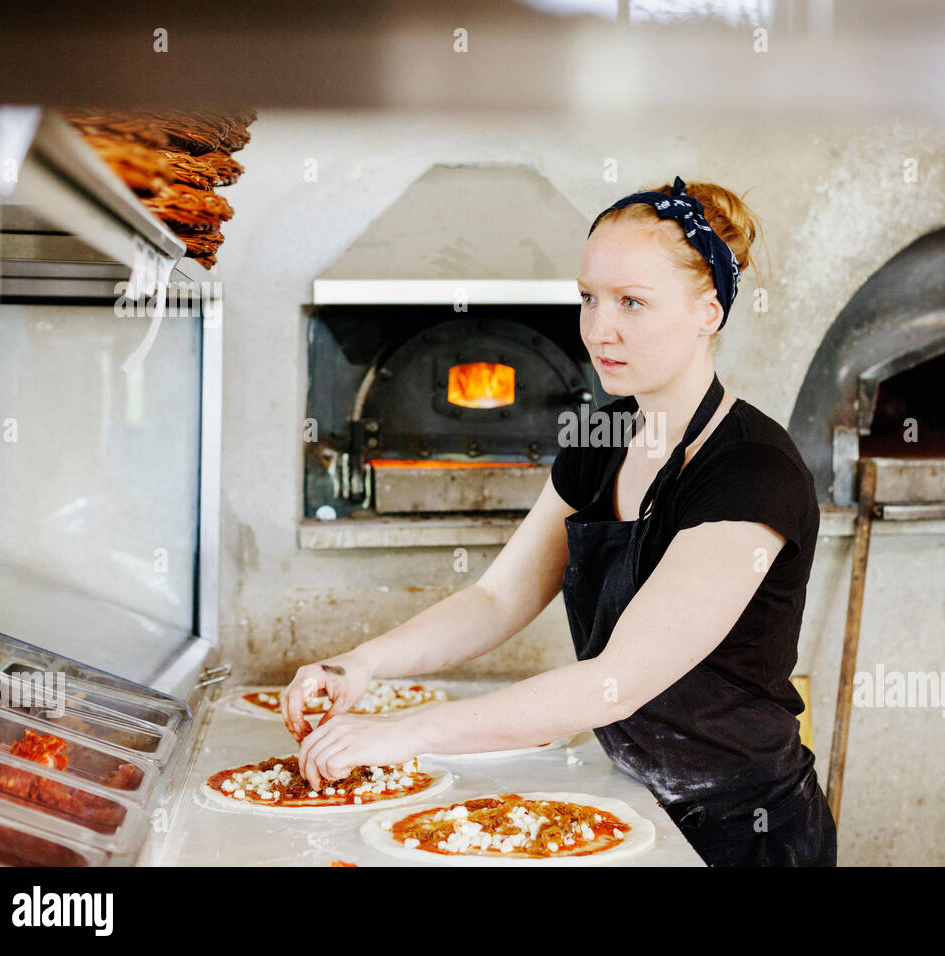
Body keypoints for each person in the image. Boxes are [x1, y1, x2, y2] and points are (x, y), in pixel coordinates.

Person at [283, 175, 836, 866]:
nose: (599, 330)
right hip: (635, 800)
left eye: (633, 303)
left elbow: (621, 680)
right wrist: (361, 666)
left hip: (744, 831)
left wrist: (407, 731)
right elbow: (497, 598)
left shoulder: (753, 472)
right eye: (589, 298)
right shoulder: (602, 439)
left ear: (709, 312)